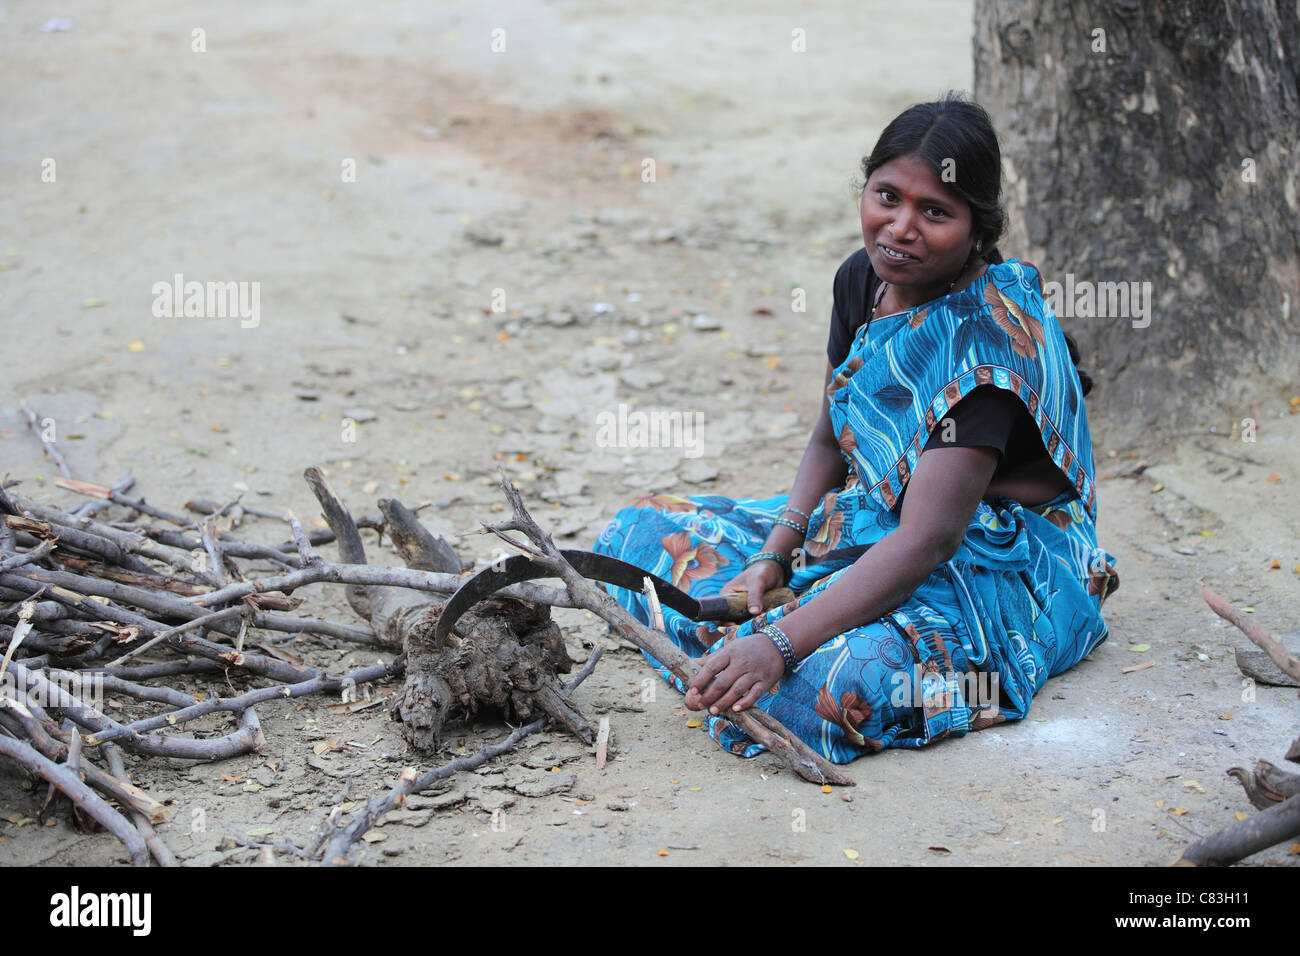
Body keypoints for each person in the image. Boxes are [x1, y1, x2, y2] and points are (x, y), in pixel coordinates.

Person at [591, 92, 1120, 763]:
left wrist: (781, 644)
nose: (901, 228)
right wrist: (772, 554)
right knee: (630, 534)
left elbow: (927, 541)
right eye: (887, 196)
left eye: (936, 212)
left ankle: (740, 656)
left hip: (989, 566)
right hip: (875, 516)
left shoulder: (983, 351)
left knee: (824, 687)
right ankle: (740, 651)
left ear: (977, 230)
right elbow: (828, 436)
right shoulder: (862, 281)